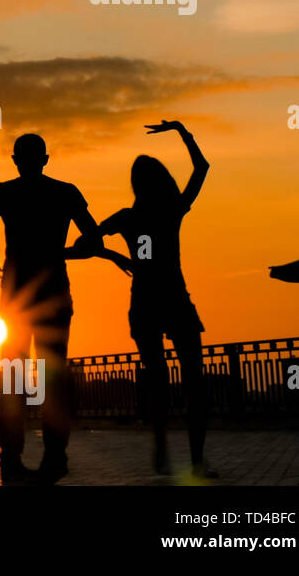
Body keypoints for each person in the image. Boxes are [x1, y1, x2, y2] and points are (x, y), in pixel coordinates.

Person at [88, 120, 217, 479]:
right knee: (193, 384)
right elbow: (202, 167)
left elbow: (86, 244)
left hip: (144, 303)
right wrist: (181, 131)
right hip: (175, 300)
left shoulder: (127, 217)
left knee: (157, 381)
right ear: (163, 180)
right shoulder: (172, 209)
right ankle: (196, 460)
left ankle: (161, 443)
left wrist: (113, 256)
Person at [0, 133, 101, 484]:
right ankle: (55, 459)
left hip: (15, 298)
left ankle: (10, 460)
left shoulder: (4, 192)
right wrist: (60, 253)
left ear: (15, 160)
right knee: (53, 380)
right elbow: (94, 241)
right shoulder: (66, 192)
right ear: (46, 159)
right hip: (54, 295)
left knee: (13, 379)